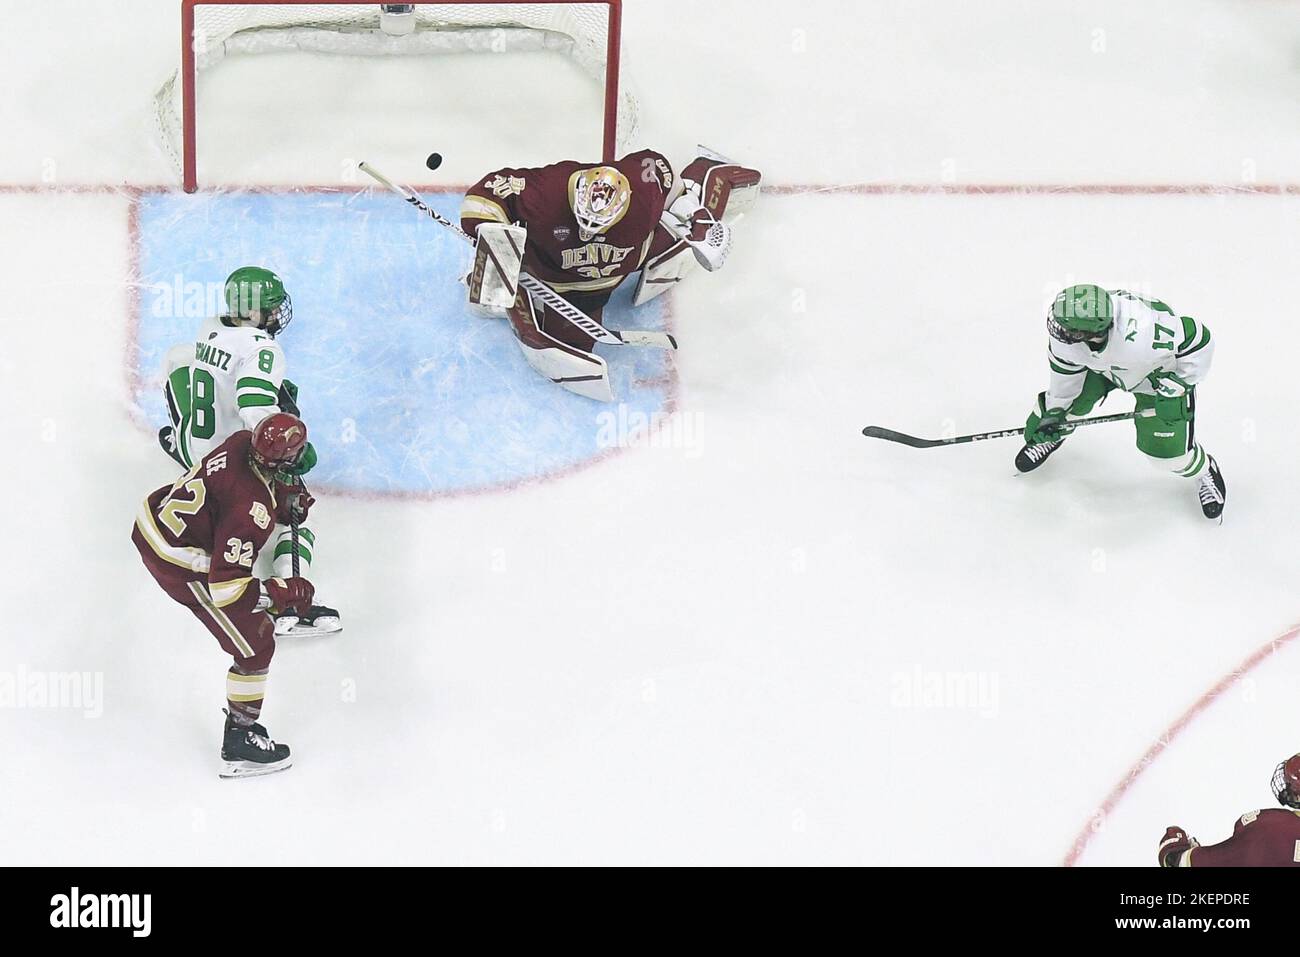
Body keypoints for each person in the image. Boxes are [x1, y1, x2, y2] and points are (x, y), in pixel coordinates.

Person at [159, 265, 340, 634]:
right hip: (229, 464)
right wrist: (293, 451)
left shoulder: (211, 324)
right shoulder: (262, 350)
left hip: (194, 446)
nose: (276, 314)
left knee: (177, 359)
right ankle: (290, 600)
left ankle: (177, 441)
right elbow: (257, 411)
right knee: (295, 522)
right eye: (271, 308)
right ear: (254, 313)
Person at [132, 413, 316, 777]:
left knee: (251, 617)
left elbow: (230, 489)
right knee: (256, 645)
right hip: (176, 560)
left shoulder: (240, 441)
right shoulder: (252, 514)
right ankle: (239, 742)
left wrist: (280, 500)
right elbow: (228, 590)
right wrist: (281, 592)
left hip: (152, 519)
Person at [1016, 284, 1225, 520]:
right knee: (1064, 411)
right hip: (1102, 369)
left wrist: (1179, 384)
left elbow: (1199, 339)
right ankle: (1058, 434)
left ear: (1090, 332)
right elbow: (1065, 376)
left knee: (1168, 457)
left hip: (1153, 376)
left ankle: (1204, 471)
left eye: (1068, 329)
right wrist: (1055, 413)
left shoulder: (1145, 331)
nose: (1057, 328)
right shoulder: (1069, 339)